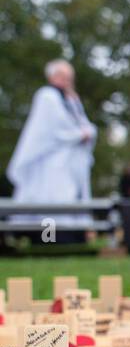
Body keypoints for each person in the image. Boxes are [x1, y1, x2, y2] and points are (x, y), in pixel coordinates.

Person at [6, 59, 97, 240]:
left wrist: (83, 125)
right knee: (53, 200)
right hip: (50, 163)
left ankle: (71, 237)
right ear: (53, 76)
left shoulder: (70, 99)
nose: (67, 81)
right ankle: (50, 239)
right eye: (63, 76)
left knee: (68, 198)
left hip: (69, 163)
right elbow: (58, 127)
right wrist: (80, 134)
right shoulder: (47, 96)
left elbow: (83, 124)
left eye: (70, 77)